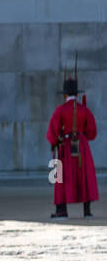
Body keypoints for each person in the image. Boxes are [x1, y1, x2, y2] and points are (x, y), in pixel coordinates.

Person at [48, 77, 97, 219]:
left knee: (62, 177)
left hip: (66, 146)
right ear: (77, 94)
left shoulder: (60, 110)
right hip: (81, 146)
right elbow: (92, 132)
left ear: (65, 94)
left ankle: (61, 210)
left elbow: (53, 131)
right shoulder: (84, 110)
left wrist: (55, 142)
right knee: (85, 176)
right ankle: (87, 210)